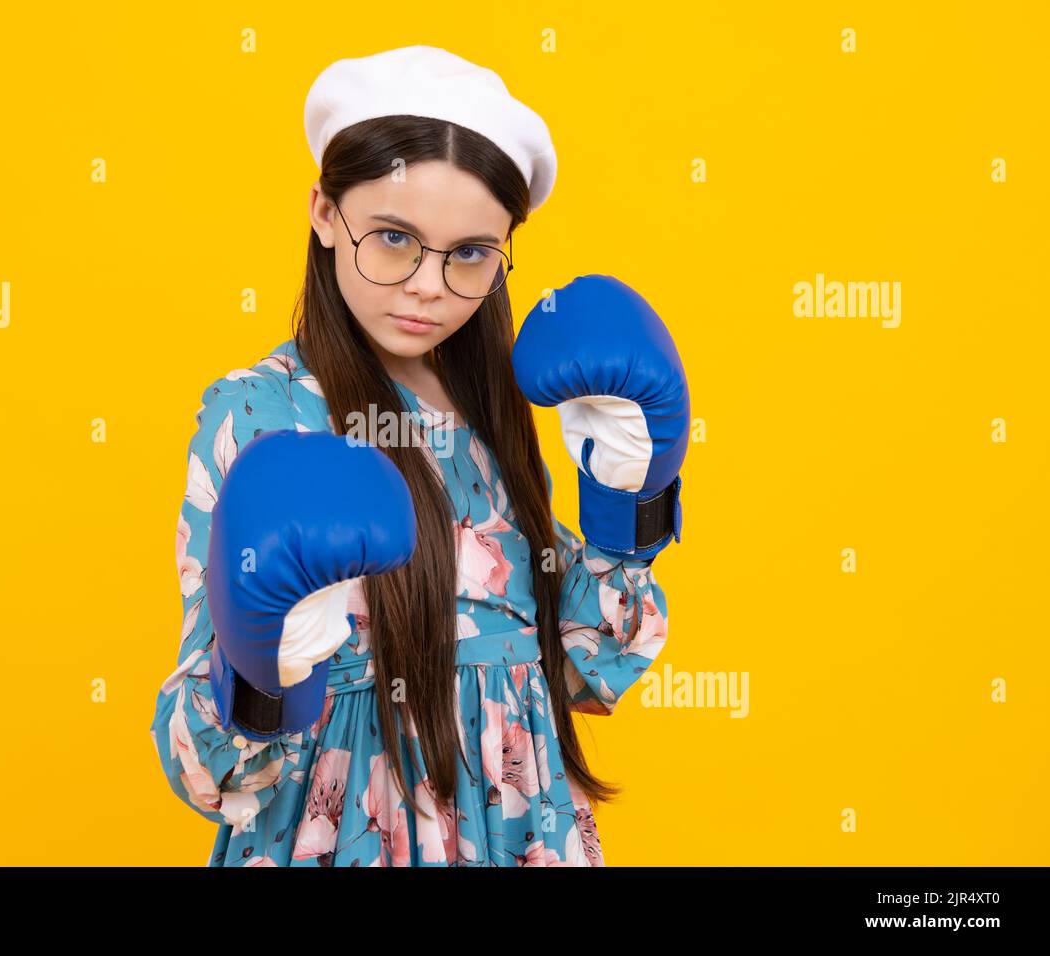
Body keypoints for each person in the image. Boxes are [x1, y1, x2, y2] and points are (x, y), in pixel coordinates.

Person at [148, 45, 688, 866]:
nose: (429, 285)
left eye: (470, 253)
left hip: (520, 837)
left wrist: (628, 497)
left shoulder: (497, 407)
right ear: (325, 214)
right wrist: (264, 670)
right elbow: (199, 764)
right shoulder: (260, 414)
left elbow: (577, 671)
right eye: (394, 238)